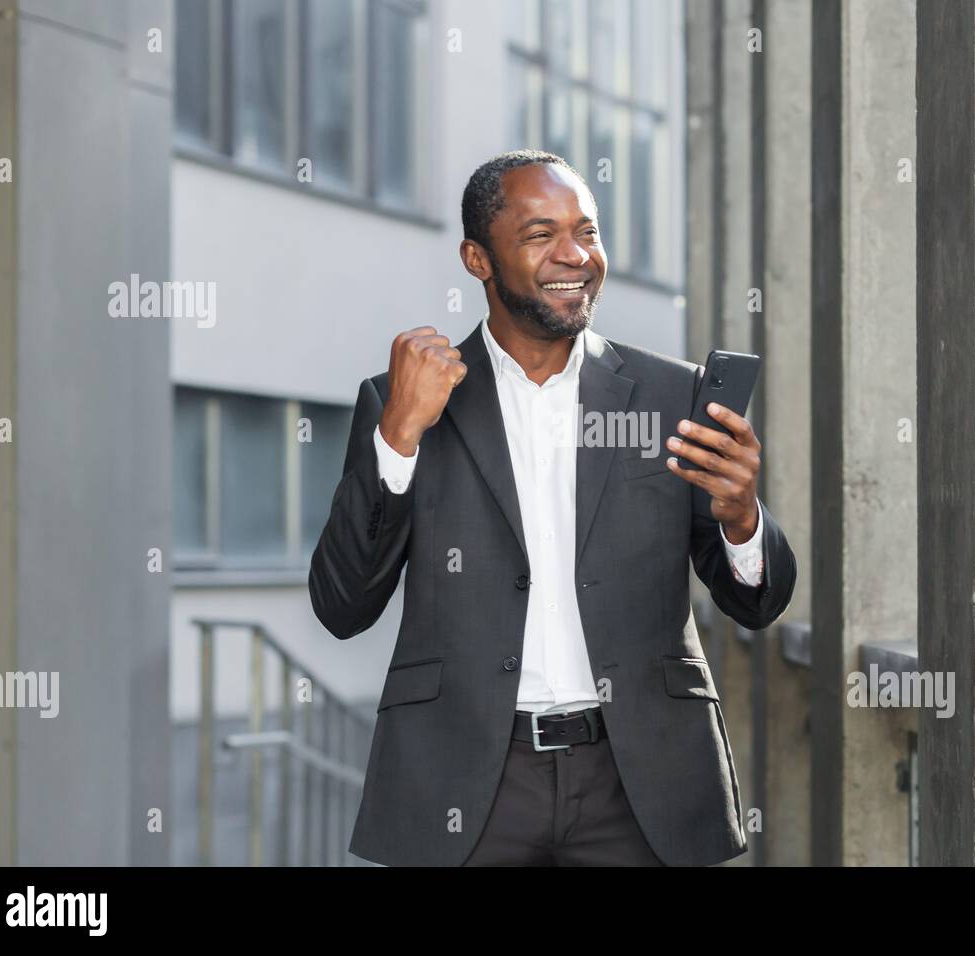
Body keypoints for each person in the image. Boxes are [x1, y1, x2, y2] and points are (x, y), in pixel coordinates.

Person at [308, 149, 797, 866]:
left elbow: (756, 605)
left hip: (639, 784)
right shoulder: (403, 401)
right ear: (478, 258)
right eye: (541, 235)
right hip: (468, 781)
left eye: (587, 232)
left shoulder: (671, 398)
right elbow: (343, 606)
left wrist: (743, 519)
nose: (576, 256)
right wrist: (399, 441)